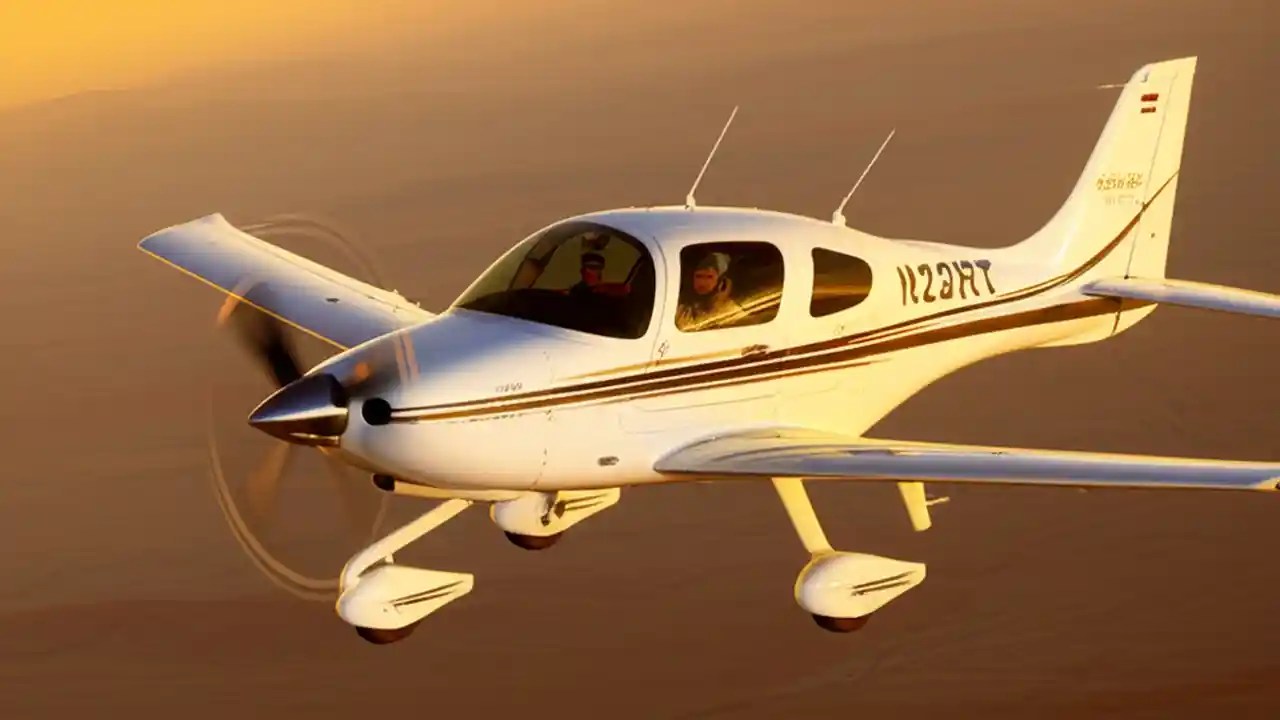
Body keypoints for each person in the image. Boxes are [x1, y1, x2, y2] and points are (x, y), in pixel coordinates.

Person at [676, 251, 746, 330]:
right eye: (699, 276)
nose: (702, 282)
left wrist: (717, 305)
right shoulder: (682, 309)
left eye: (709, 277)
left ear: (721, 282)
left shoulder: (732, 311)